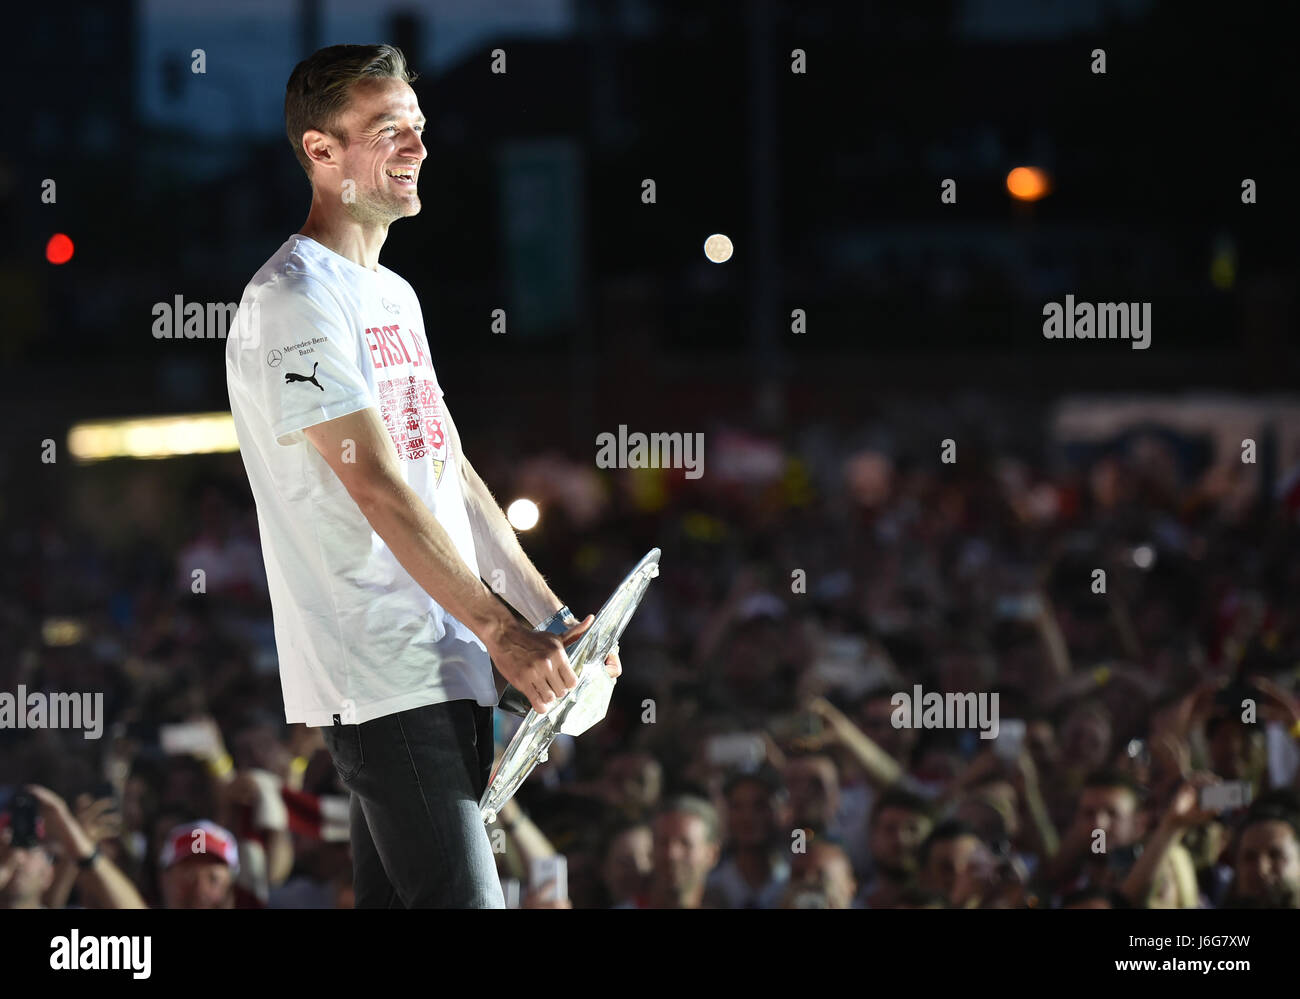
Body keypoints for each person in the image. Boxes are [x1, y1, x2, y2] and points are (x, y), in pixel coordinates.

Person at [225, 43, 619, 908]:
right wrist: (501, 632)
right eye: (386, 130)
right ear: (321, 153)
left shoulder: (393, 294)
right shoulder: (292, 298)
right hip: (380, 667)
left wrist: (549, 619)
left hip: (443, 660)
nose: (417, 147)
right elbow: (376, 487)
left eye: (418, 127)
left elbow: (450, 471)